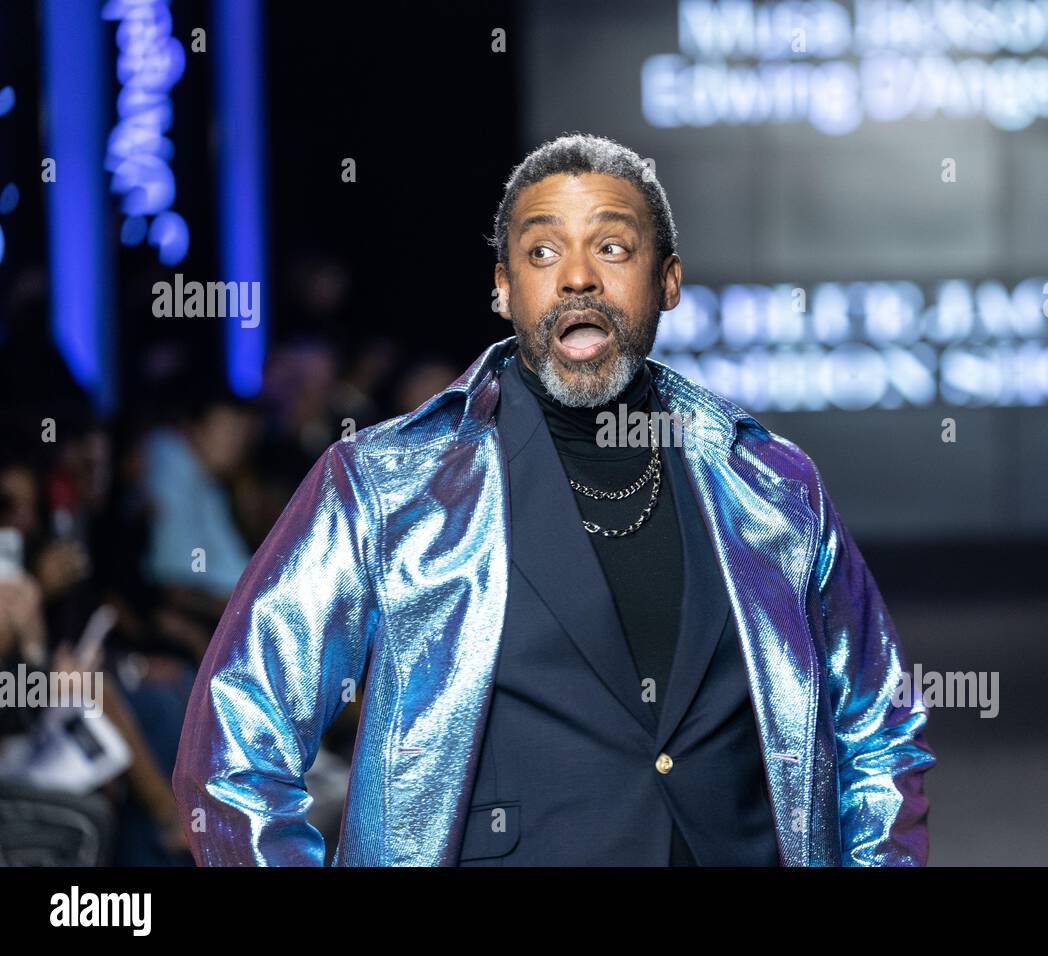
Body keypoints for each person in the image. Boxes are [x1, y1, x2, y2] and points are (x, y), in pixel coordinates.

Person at [172, 133, 937, 866]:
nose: (577, 278)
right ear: (503, 288)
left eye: (612, 248)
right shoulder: (387, 487)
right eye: (542, 252)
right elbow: (235, 745)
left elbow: (879, 730)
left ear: (668, 281)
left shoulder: (772, 487)